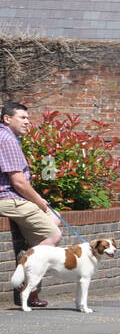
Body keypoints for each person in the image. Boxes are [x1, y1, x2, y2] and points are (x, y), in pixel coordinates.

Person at [1, 100, 62, 307]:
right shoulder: (6, 139)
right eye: (23, 118)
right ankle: (22, 272)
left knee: (54, 218)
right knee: (53, 234)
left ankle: (30, 292)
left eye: (28, 118)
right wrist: (40, 202)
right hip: (7, 198)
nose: (28, 122)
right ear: (7, 119)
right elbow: (18, 181)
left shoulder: (11, 138)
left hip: (12, 196)